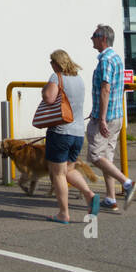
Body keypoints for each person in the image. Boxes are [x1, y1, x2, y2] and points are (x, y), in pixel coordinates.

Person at [86, 24, 136, 211]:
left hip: (106, 117)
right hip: (116, 115)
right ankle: (111, 198)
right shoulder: (116, 58)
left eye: (94, 35)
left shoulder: (106, 60)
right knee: (107, 156)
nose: (91, 38)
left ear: (103, 38)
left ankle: (127, 183)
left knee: (94, 155)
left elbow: (105, 88)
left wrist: (100, 118)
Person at [41, 49, 96, 223]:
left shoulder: (56, 77)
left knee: (57, 174)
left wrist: (44, 90)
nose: (50, 64)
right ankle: (89, 193)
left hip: (60, 132)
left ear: (58, 63)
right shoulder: (78, 79)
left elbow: (49, 98)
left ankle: (63, 213)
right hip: (78, 132)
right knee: (69, 169)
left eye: (52, 62)